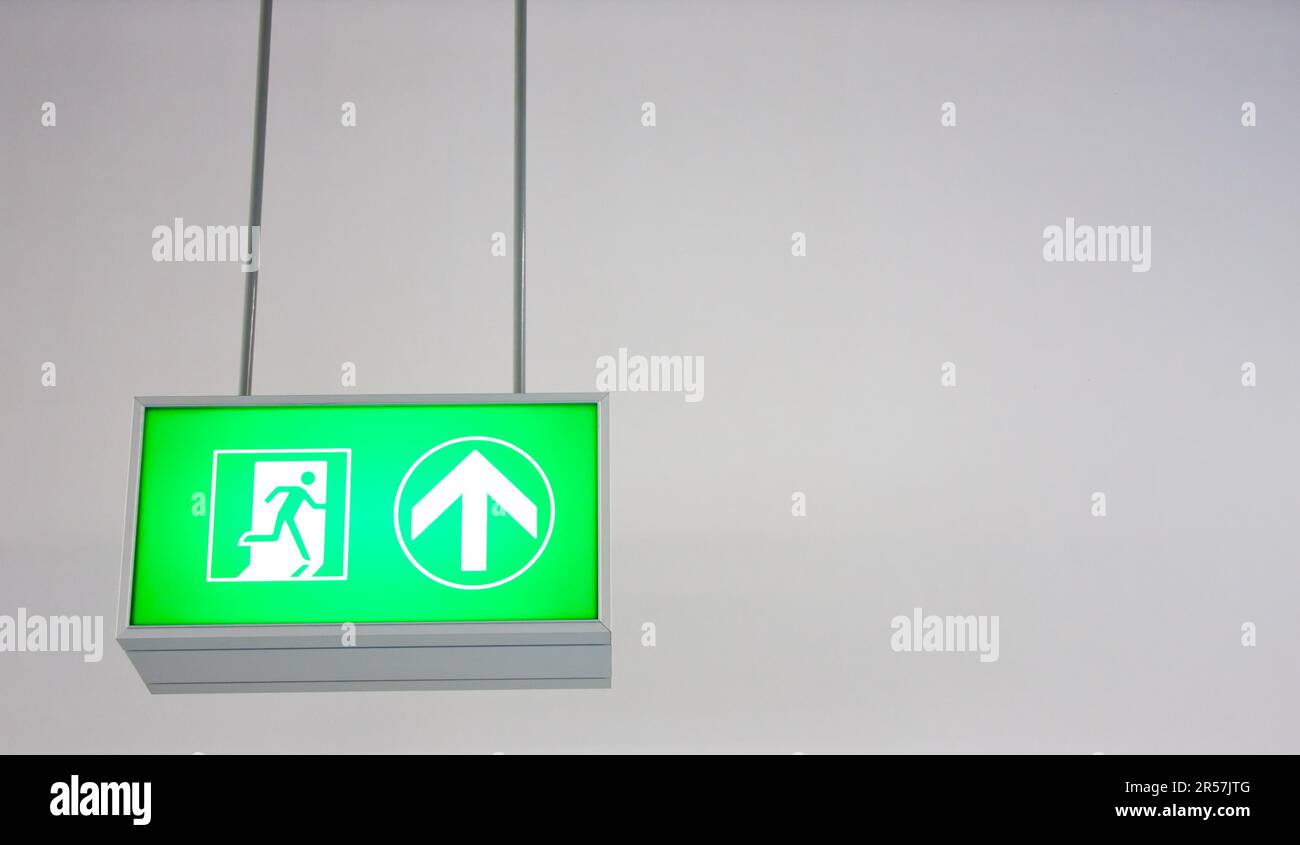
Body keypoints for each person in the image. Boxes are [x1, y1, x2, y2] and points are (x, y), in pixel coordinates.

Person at [238, 471, 325, 561]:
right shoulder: (296, 489)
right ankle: (306, 556)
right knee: (281, 535)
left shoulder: (303, 493)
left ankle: (249, 538)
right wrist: (268, 499)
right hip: (283, 514)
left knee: (275, 536)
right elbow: (279, 488)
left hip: (289, 516)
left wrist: (327, 505)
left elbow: (314, 505)